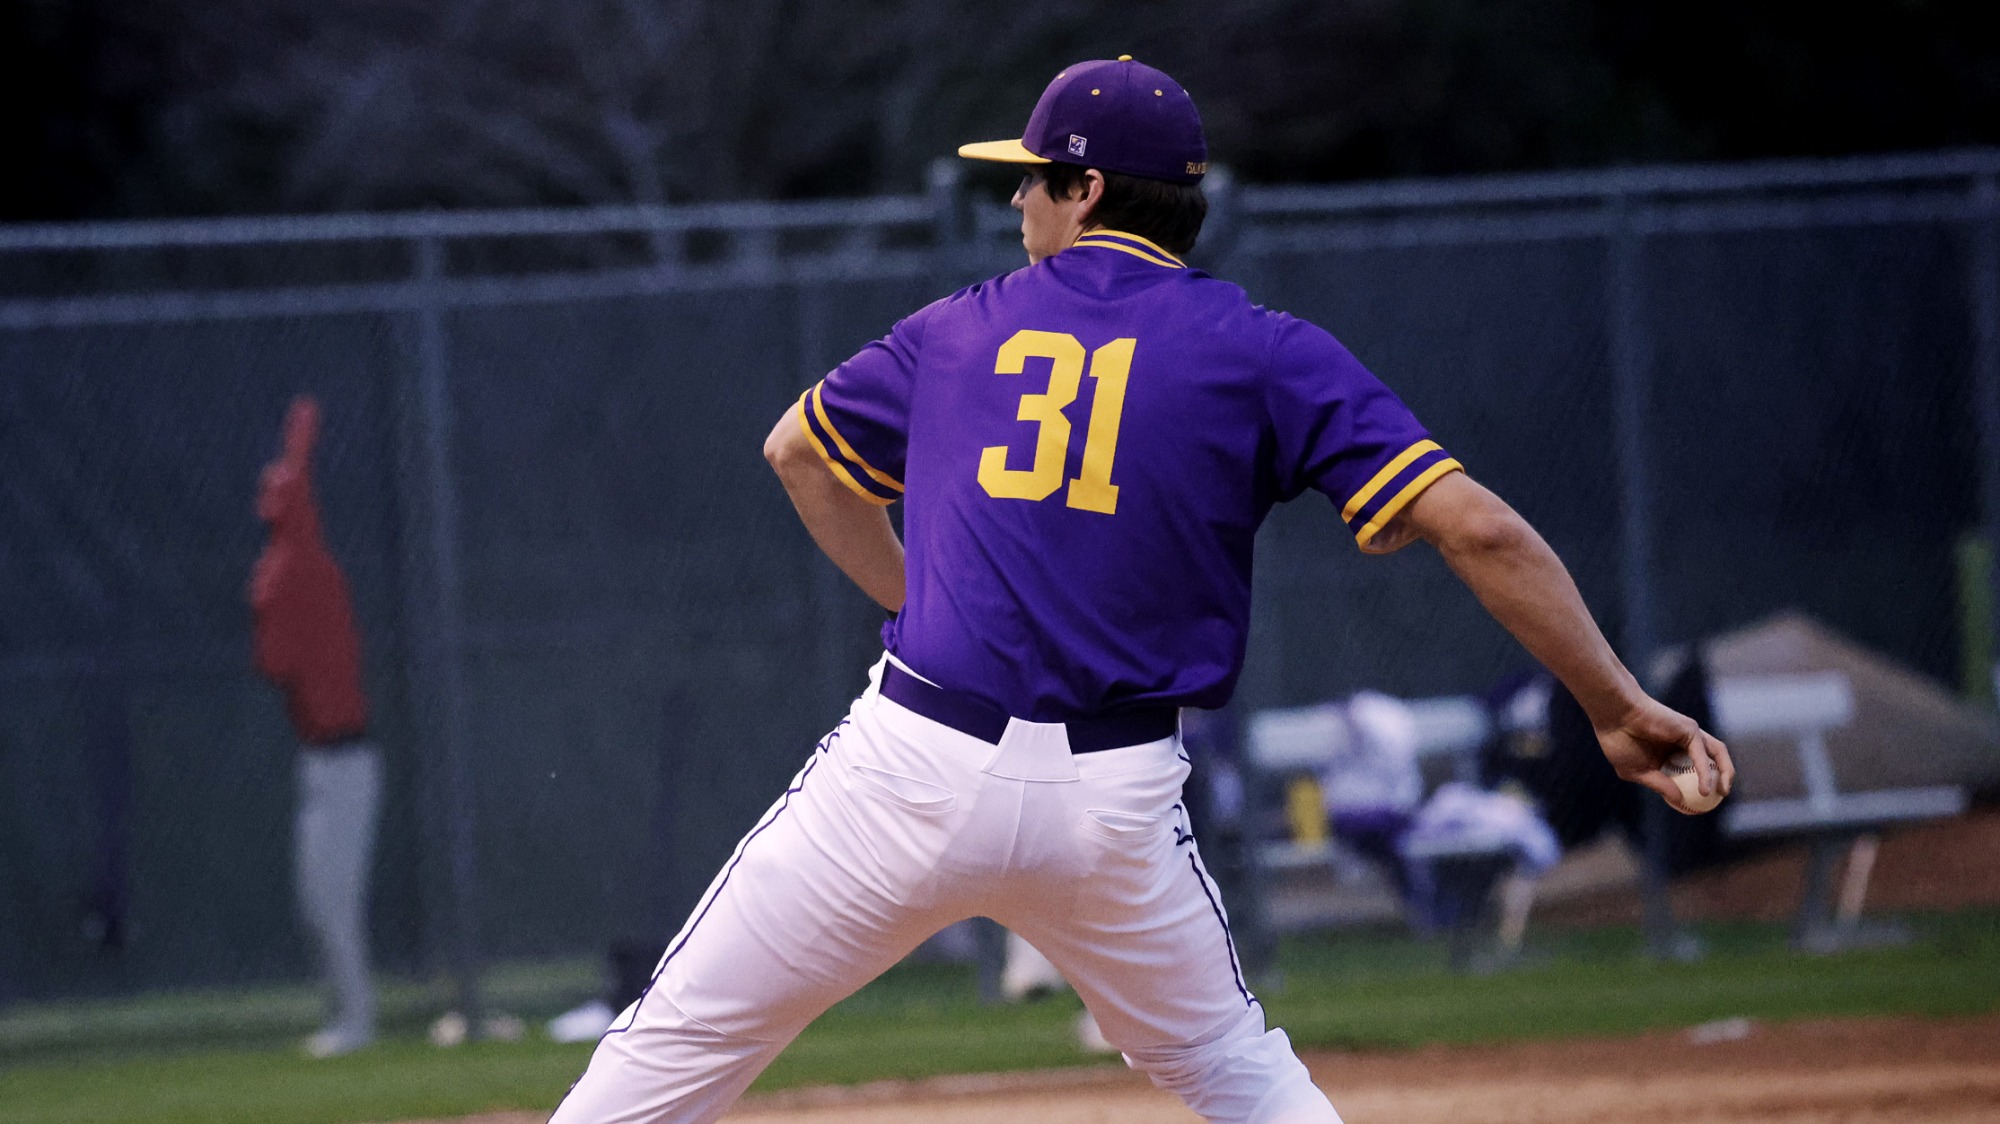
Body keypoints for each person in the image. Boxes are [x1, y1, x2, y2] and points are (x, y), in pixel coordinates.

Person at [549, 57, 1733, 1123]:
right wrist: (1613, 703)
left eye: (1029, 182)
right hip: (1111, 801)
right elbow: (1478, 528)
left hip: (908, 766)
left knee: (672, 1049)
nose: (1015, 204)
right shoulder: (1265, 348)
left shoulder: (957, 331)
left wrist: (923, 601)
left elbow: (795, 453)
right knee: (1235, 1065)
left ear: (1085, 189)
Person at [250, 395, 383, 1059]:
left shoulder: (306, 573)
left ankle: (358, 1022)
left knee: (333, 901)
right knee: (316, 900)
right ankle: (345, 1017)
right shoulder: (288, 568)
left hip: (346, 760)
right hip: (317, 760)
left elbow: (273, 659)